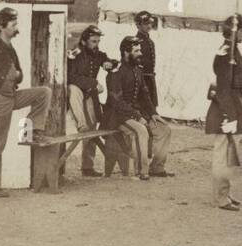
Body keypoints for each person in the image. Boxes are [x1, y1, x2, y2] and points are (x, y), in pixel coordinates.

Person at [0, 7, 53, 196]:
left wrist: (18, 75)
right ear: (1, 26)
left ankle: (31, 131)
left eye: (16, 24)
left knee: (44, 93)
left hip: (11, 97)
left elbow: (19, 75)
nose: (17, 28)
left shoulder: (10, 48)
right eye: (13, 25)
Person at [102, 35, 172, 181]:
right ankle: (141, 171)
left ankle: (157, 168)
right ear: (126, 52)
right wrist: (137, 116)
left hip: (134, 113)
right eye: (136, 51)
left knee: (164, 129)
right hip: (117, 116)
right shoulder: (116, 72)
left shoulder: (137, 70)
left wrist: (153, 113)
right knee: (141, 130)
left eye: (140, 50)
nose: (140, 54)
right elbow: (117, 102)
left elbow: (145, 95)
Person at [206, 14, 242, 210]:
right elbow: (222, 88)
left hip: (234, 106)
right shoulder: (226, 53)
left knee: (230, 155)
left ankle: (226, 193)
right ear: (233, 31)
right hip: (225, 109)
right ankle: (220, 198)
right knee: (222, 156)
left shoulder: (233, 51)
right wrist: (229, 116)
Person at [66, 24, 116, 177]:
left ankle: (87, 167)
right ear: (84, 41)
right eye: (94, 41)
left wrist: (109, 63)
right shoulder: (75, 53)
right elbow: (70, 76)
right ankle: (81, 124)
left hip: (89, 95)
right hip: (76, 92)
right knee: (73, 88)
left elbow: (109, 61)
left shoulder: (98, 54)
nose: (96, 44)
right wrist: (93, 83)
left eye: (98, 41)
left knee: (92, 127)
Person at [132, 11, 159, 111]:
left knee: (152, 106)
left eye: (150, 23)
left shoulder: (150, 42)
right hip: (141, 79)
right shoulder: (136, 41)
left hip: (150, 78)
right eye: (146, 23)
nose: (149, 26)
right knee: (142, 107)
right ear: (138, 25)